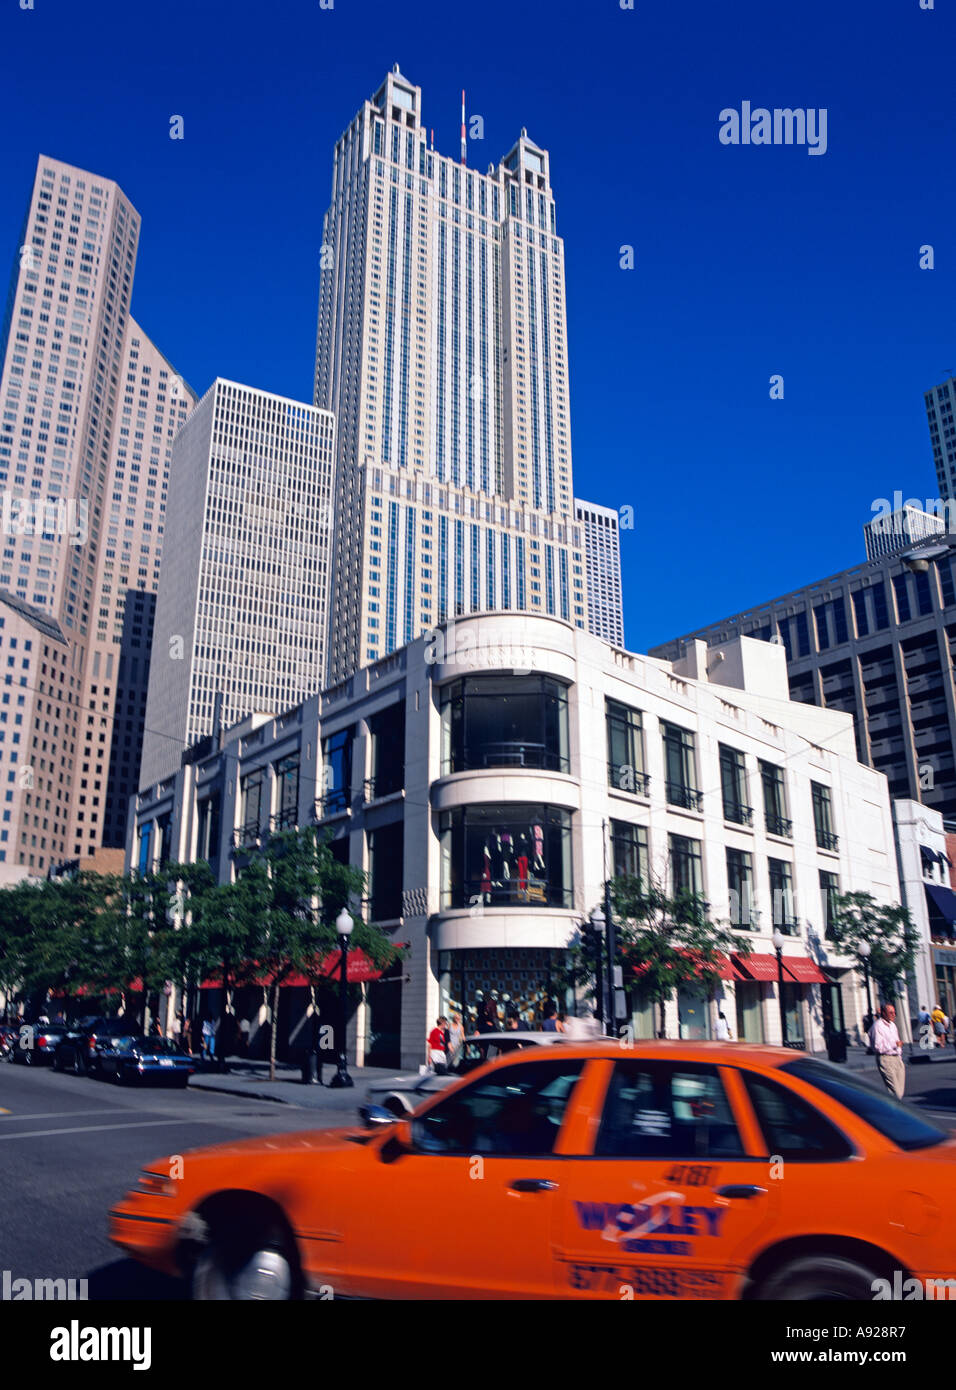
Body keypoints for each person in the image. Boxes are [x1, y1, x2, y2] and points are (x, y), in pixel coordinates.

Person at [869, 1003, 905, 1099]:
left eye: (894, 1012)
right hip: (886, 1059)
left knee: (899, 1093)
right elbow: (877, 1047)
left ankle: (891, 1111)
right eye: (890, 1013)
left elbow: (897, 1041)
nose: (894, 1015)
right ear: (883, 1013)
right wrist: (894, 1045)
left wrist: (899, 1053)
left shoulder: (893, 1025)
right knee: (896, 1093)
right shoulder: (877, 1027)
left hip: (897, 1059)